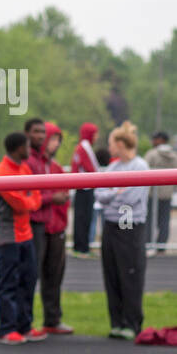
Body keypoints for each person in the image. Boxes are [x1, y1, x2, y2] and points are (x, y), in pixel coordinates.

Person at [96, 122, 149, 339]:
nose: (109, 149)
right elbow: (100, 194)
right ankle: (116, 322)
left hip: (129, 225)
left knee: (130, 274)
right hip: (110, 225)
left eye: (110, 144)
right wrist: (116, 193)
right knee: (112, 273)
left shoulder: (140, 167)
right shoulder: (113, 168)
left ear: (120, 144)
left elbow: (132, 199)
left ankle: (132, 322)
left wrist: (115, 194)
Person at [0, 132, 45, 345]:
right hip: (7, 235)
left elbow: (37, 195)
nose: (31, 150)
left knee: (28, 279)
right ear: (17, 148)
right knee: (8, 282)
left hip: (26, 234)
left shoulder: (24, 168)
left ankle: (25, 325)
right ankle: (7, 329)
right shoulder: (1, 173)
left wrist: (29, 200)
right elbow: (21, 204)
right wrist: (29, 200)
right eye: (27, 146)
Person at [36, 123, 73, 334]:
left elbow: (64, 197)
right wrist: (52, 199)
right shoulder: (34, 166)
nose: (55, 144)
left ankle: (52, 319)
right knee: (31, 275)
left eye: (58, 140)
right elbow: (30, 198)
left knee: (55, 275)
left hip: (56, 230)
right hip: (39, 228)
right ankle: (25, 322)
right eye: (52, 139)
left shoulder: (57, 168)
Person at [70, 122, 100, 256]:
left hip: (81, 187)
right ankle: (83, 248)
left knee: (80, 218)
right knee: (84, 219)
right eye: (95, 134)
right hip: (85, 188)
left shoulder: (80, 146)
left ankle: (79, 246)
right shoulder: (85, 147)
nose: (97, 137)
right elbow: (93, 168)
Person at [143, 130, 176, 254]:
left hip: (153, 193)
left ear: (161, 140)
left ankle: (149, 244)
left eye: (155, 139)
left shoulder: (152, 154)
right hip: (167, 194)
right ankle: (161, 246)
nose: (153, 141)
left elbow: (143, 170)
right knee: (164, 221)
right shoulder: (173, 155)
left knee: (150, 220)